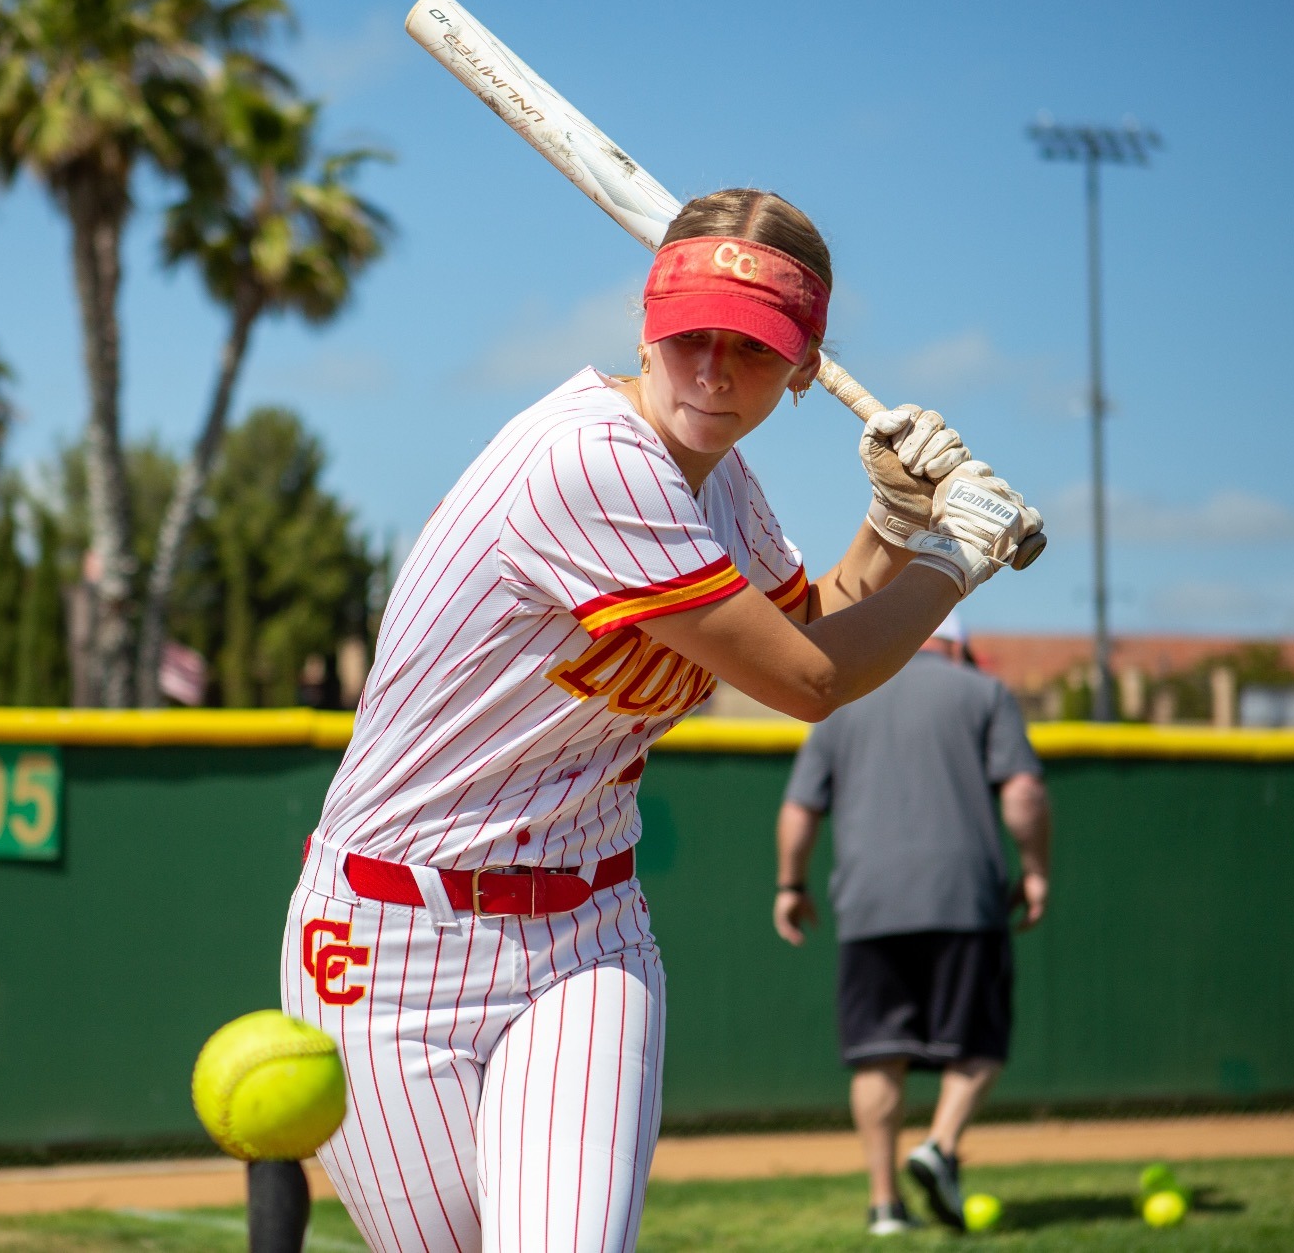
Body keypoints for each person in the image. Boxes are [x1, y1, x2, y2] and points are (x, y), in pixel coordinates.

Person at [280, 188, 1044, 1252]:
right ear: (647, 323)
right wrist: (952, 557)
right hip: (391, 938)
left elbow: (803, 619)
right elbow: (807, 681)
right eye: (690, 334)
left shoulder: (722, 489)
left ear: (803, 369)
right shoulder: (585, 460)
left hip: (585, 934)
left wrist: (889, 523)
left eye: (752, 345)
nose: (712, 369)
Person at [773, 611, 1053, 1236]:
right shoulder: (985, 693)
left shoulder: (841, 703)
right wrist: (1034, 871)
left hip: (870, 904)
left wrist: (791, 885)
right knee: (979, 1044)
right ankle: (941, 1144)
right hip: (963, 898)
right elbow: (1025, 795)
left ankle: (884, 1208)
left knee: (878, 1056)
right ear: (960, 647)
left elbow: (800, 808)